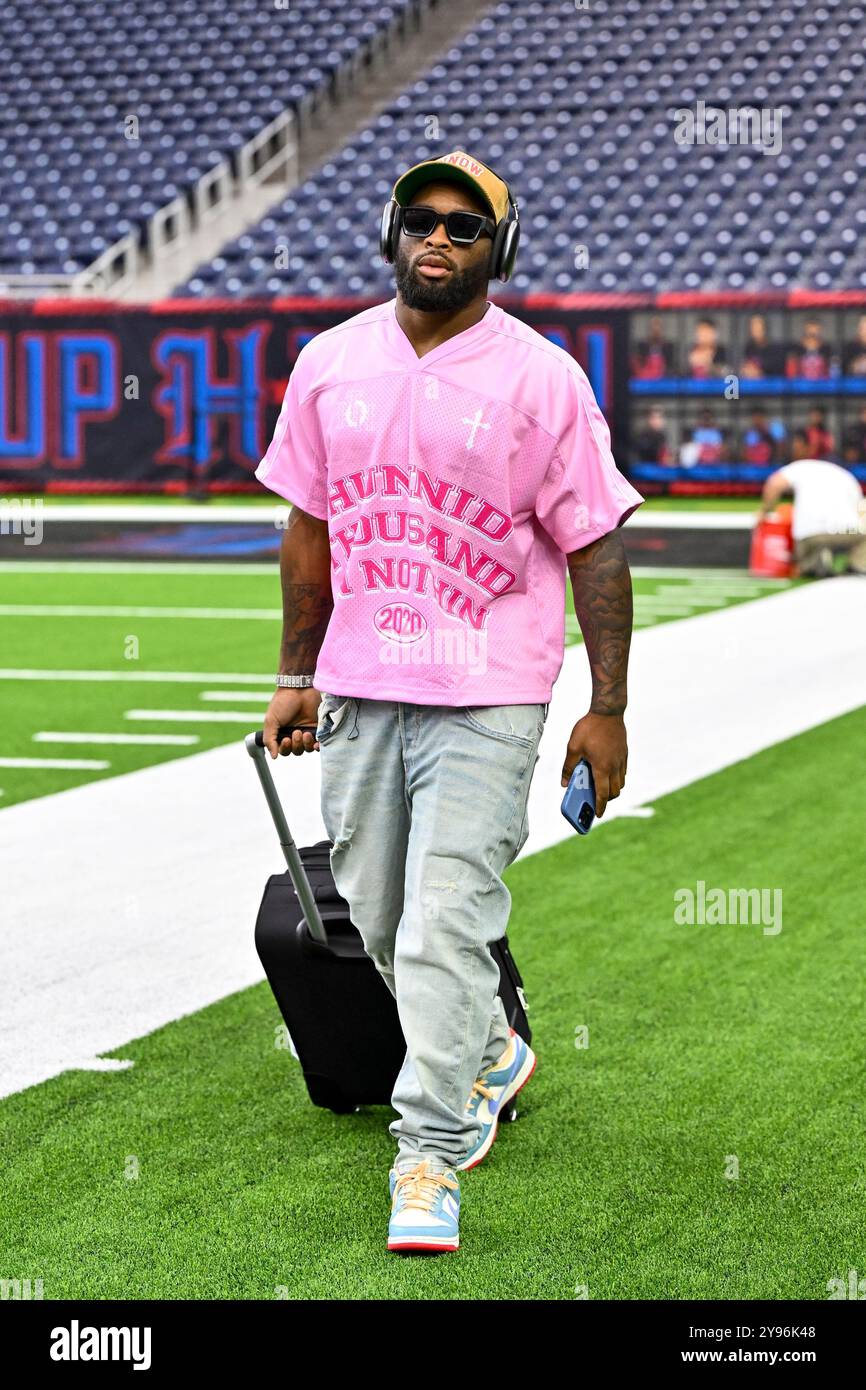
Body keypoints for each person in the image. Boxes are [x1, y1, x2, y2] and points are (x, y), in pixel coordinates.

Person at [255, 150, 643, 1255]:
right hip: (362, 686)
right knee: (374, 911)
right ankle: (484, 1051)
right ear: (392, 232)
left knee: (441, 922)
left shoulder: (541, 378)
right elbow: (307, 529)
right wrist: (295, 674)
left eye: (465, 226)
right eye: (420, 219)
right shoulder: (329, 362)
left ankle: (427, 1147)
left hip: (489, 692)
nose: (438, 238)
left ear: (498, 251)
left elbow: (595, 546)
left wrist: (604, 705)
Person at [760, 430, 866, 577]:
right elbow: (861, 511)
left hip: (810, 534)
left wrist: (764, 513)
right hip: (847, 531)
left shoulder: (801, 466)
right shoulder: (846, 475)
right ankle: (857, 565)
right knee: (862, 536)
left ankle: (816, 561)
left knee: (811, 551)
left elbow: (774, 484)